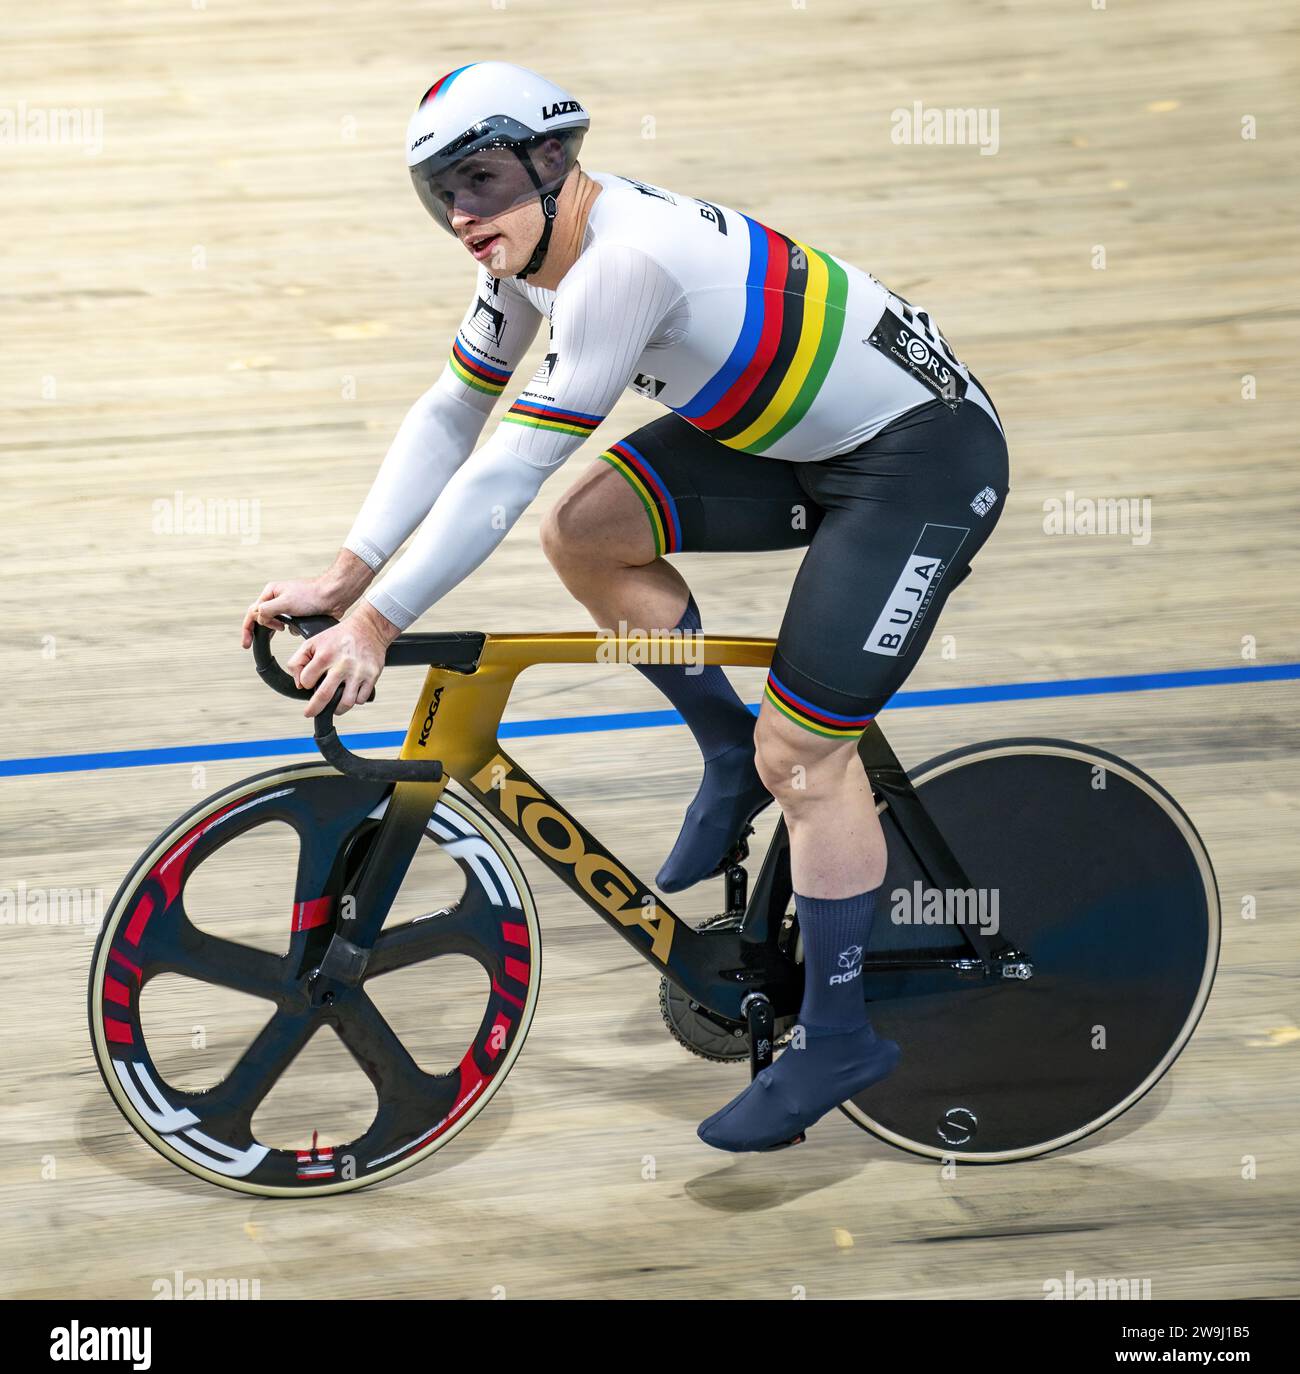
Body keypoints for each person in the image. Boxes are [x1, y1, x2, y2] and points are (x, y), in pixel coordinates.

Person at [240, 61, 1010, 1153]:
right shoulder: (528, 251)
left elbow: (501, 473)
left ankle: (839, 1035)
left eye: (482, 180)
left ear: (553, 164)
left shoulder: (620, 266)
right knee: (587, 532)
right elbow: (453, 411)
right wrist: (345, 578)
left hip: (916, 461)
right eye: (440, 192)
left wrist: (380, 623)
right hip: (791, 439)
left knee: (810, 758)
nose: (462, 214)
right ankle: (722, 748)